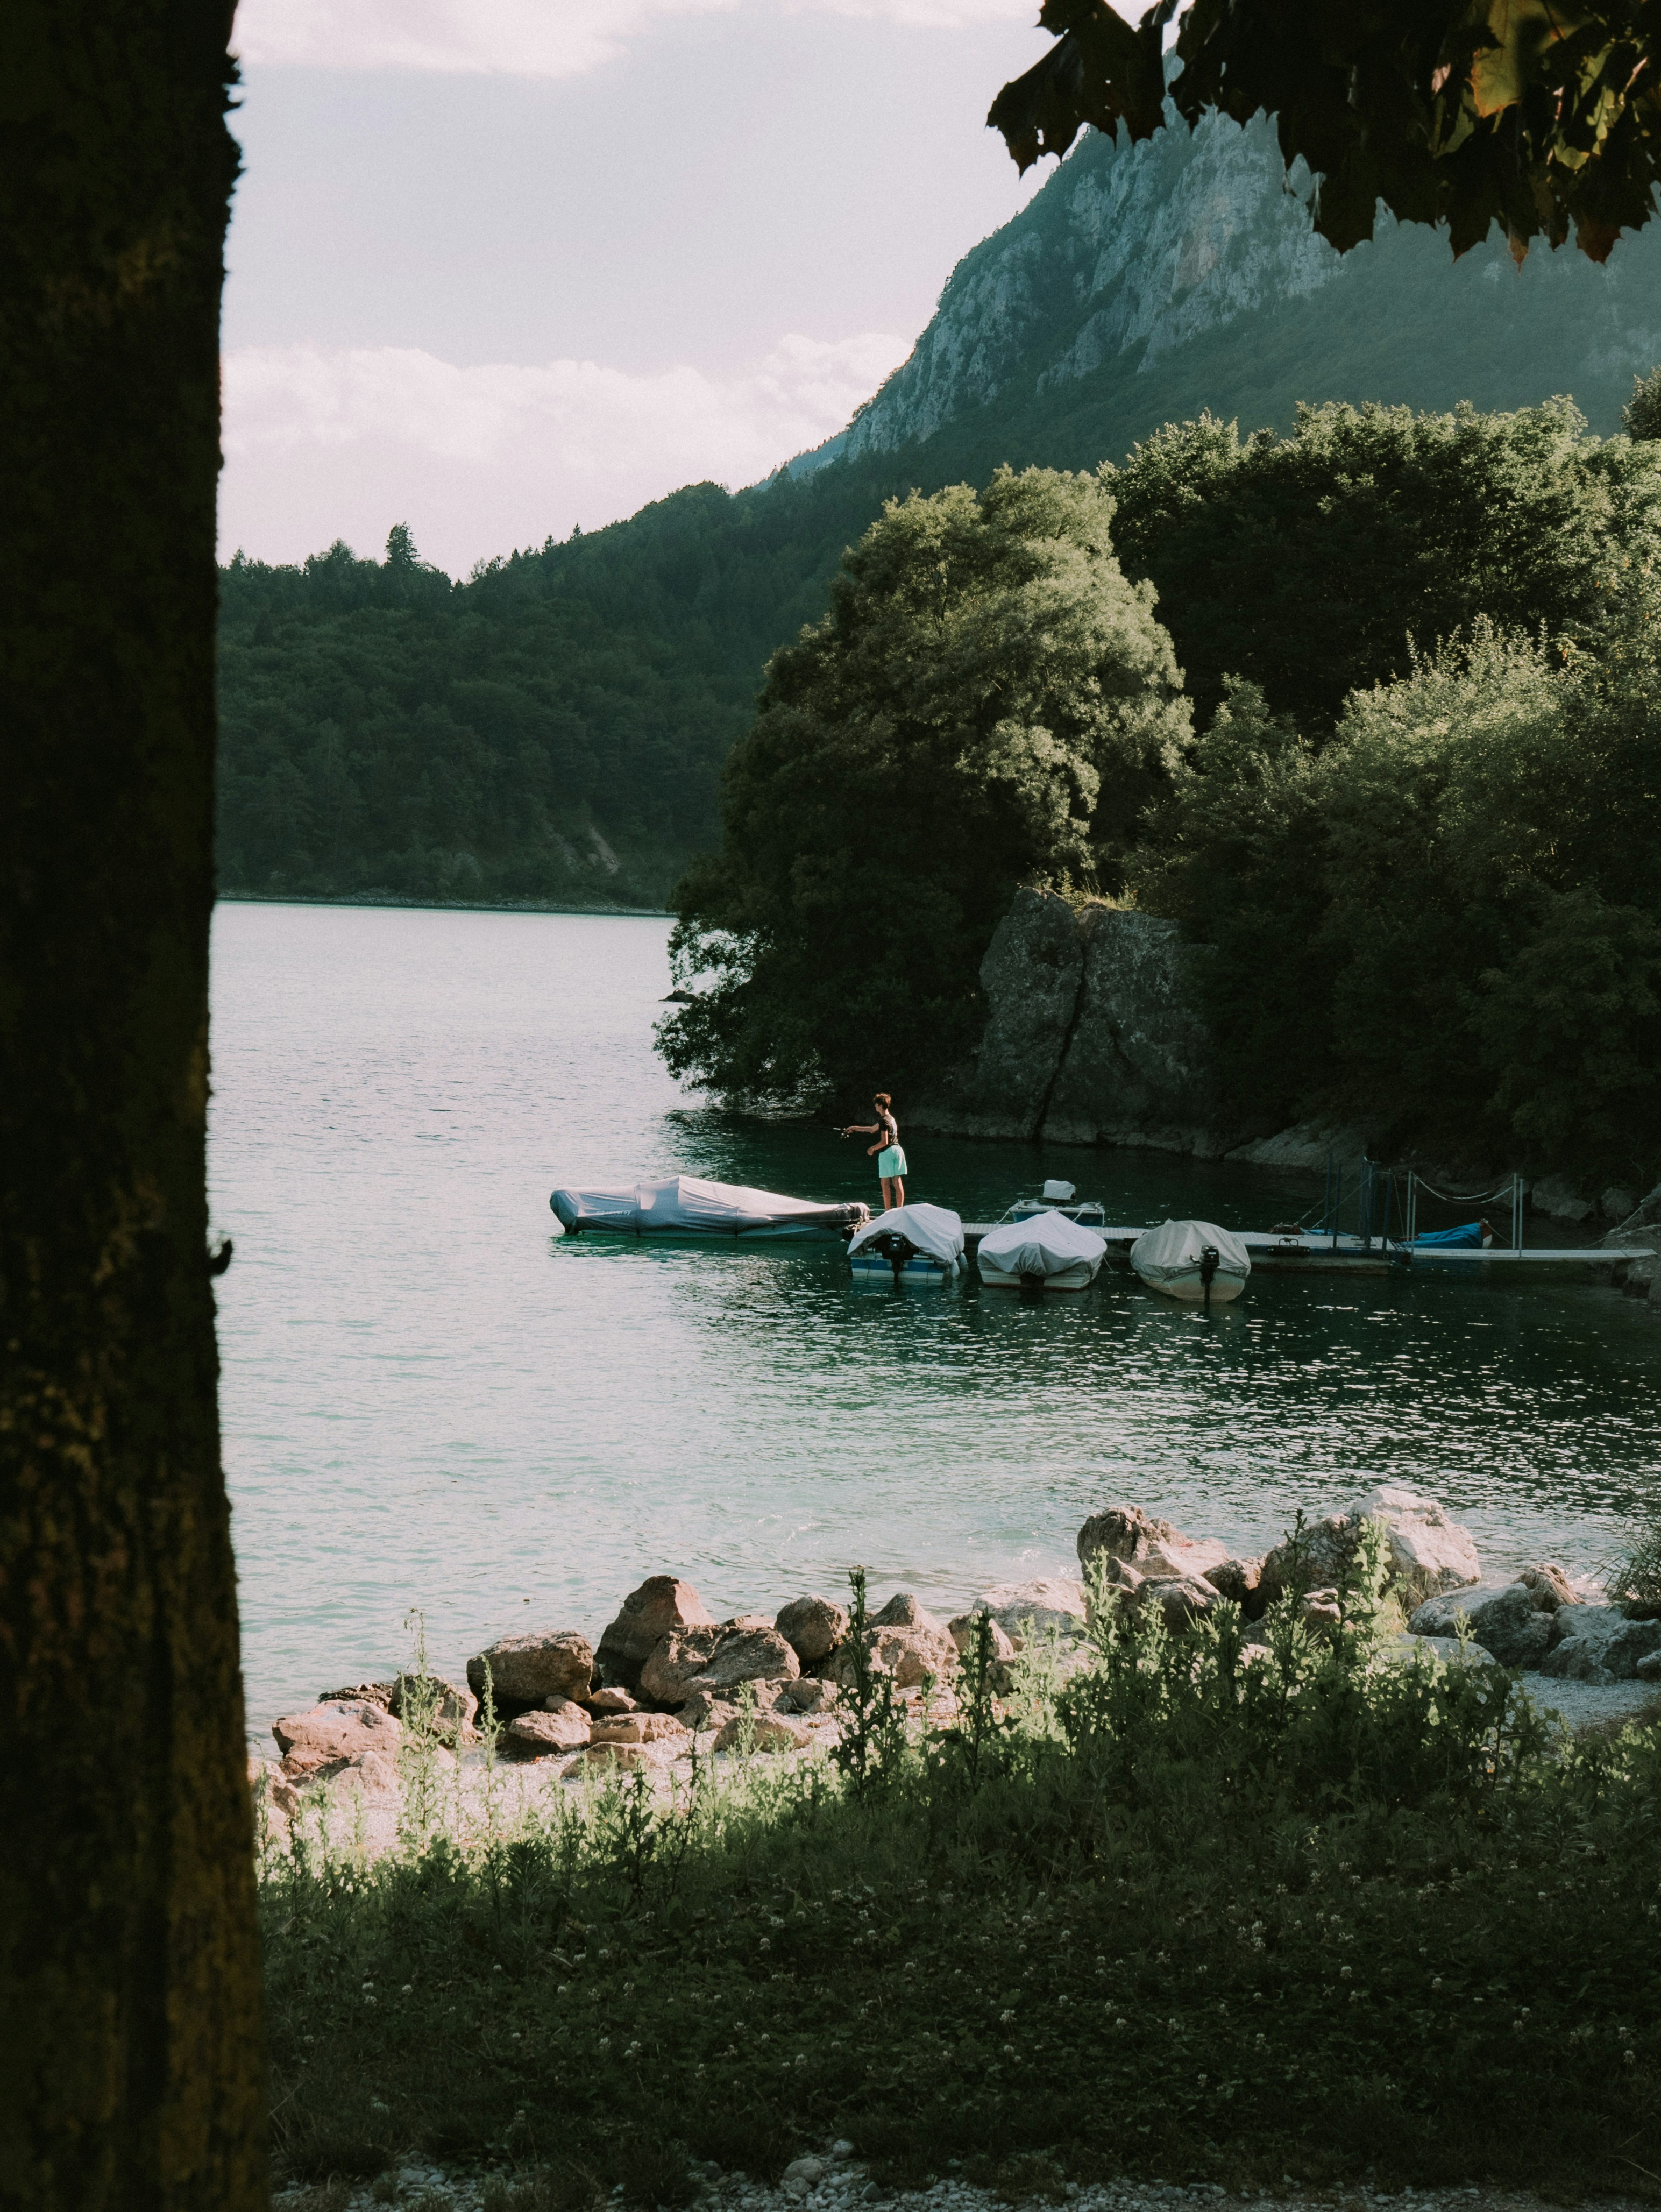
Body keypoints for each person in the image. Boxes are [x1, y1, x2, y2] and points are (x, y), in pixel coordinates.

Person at [841, 1091, 907, 1211]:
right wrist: (854, 1128)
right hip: (898, 1151)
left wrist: (872, 1148)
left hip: (888, 1152)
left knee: (885, 1183)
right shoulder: (891, 1119)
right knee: (897, 1182)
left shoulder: (884, 1121)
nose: (875, 1107)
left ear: (880, 1105)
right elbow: (872, 1129)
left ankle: (888, 1212)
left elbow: (884, 1142)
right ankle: (900, 1211)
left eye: (876, 1105)